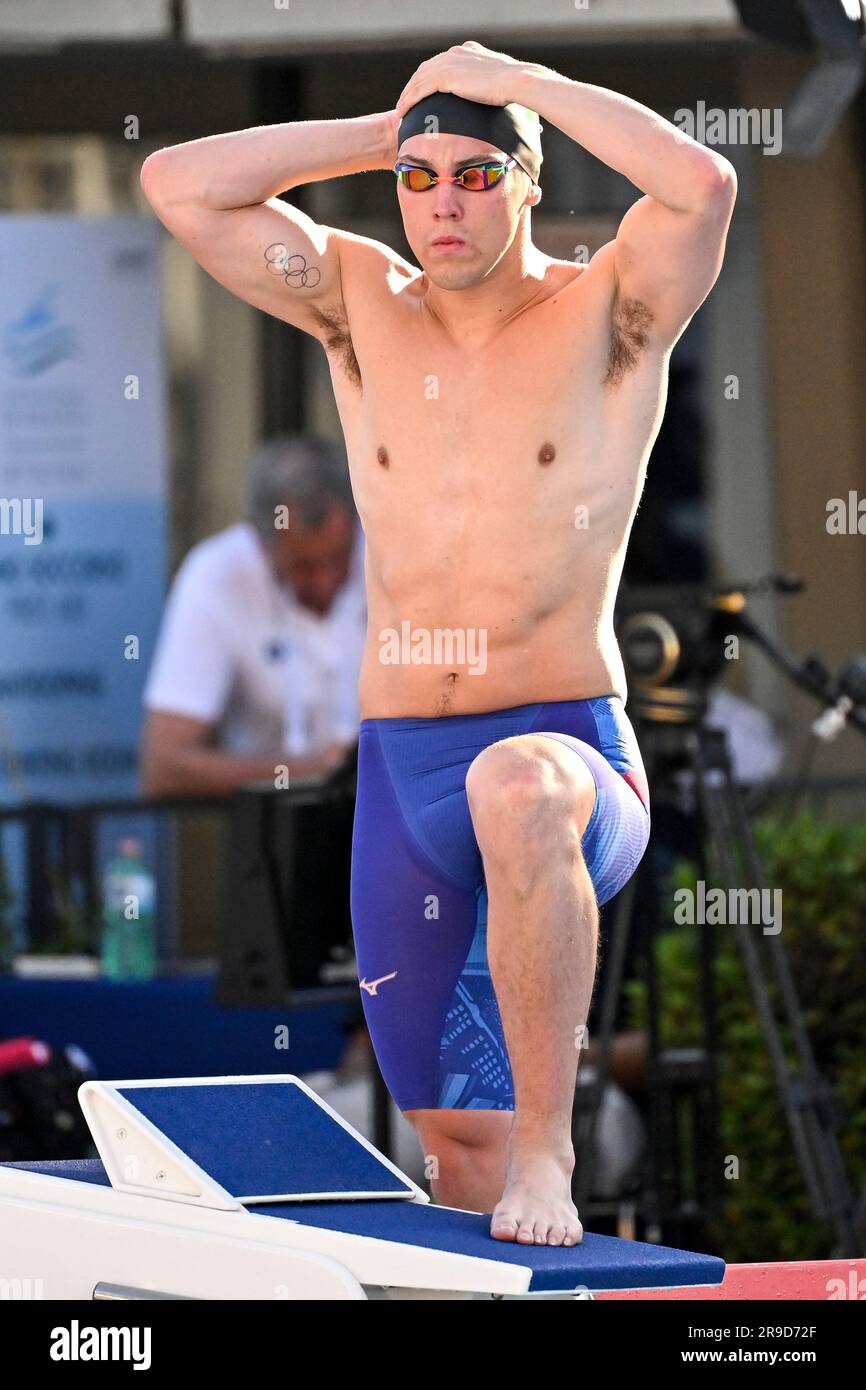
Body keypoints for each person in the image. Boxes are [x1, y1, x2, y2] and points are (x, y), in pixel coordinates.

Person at [139, 39, 736, 1245]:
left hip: (560, 746)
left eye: (475, 174)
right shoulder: (358, 302)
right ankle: (508, 1178)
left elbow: (699, 186)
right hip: (402, 769)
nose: (443, 201)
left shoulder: (608, 310)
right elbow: (177, 186)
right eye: (420, 181)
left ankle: (552, 1149)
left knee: (514, 790)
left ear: (528, 180)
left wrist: (525, 87)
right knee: (456, 1148)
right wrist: (391, 130)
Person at [140, 434, 365, 796]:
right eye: (303, 567)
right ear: (259, 538)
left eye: (340, 560)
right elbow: (164, 768)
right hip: (273, 821)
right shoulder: (215, 573)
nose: (325, 583)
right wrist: (327, 772)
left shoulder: (391, 556)